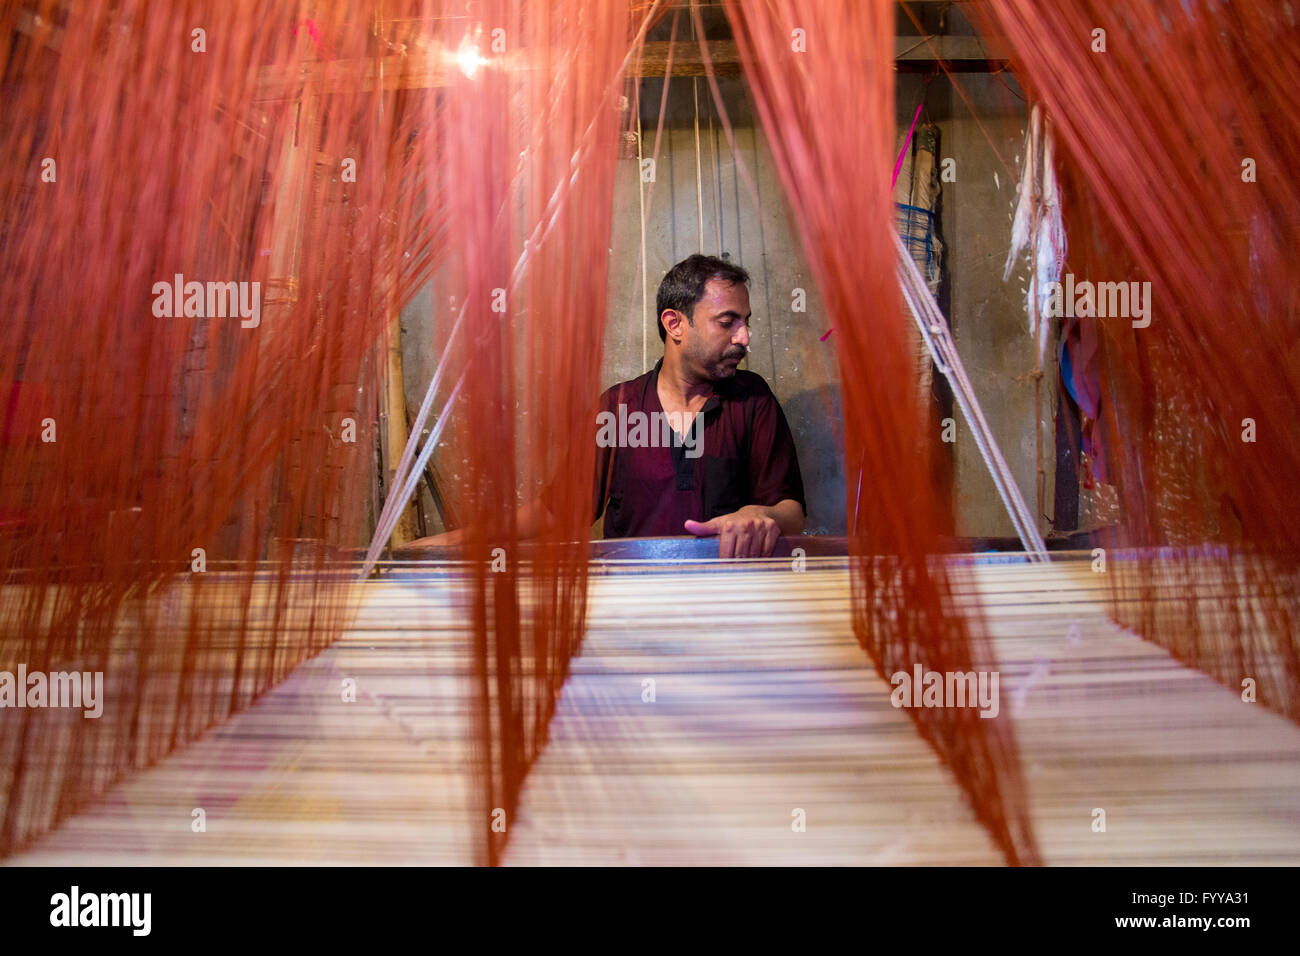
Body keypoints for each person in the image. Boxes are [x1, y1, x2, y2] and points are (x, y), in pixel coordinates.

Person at [411, 253, 806, 557]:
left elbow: (792, 512)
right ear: (674, 324)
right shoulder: (620, 408)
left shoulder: (751, 400)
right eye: (728, 322)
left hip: (727, 603)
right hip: (632, 609)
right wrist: (451, 543)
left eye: (746, 322)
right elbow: (558, 513)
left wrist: (760, 515)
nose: (745, 337)